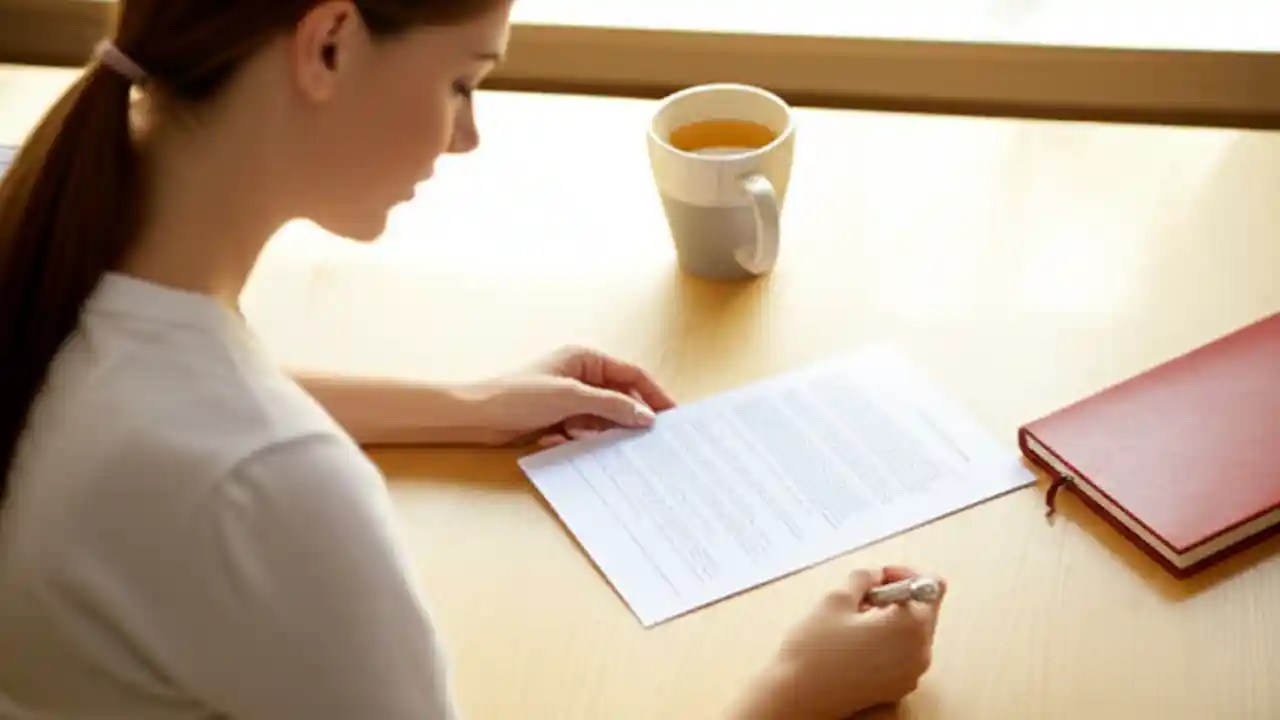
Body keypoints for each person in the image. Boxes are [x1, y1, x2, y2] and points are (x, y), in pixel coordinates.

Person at [0, 1, 946, 718]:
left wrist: (468, 401)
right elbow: (228, 459)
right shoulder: (275, 485)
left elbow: (159, 404)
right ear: (328, 43)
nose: (468, 134)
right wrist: (789, 691)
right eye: (462, 80)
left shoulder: (42, 234)